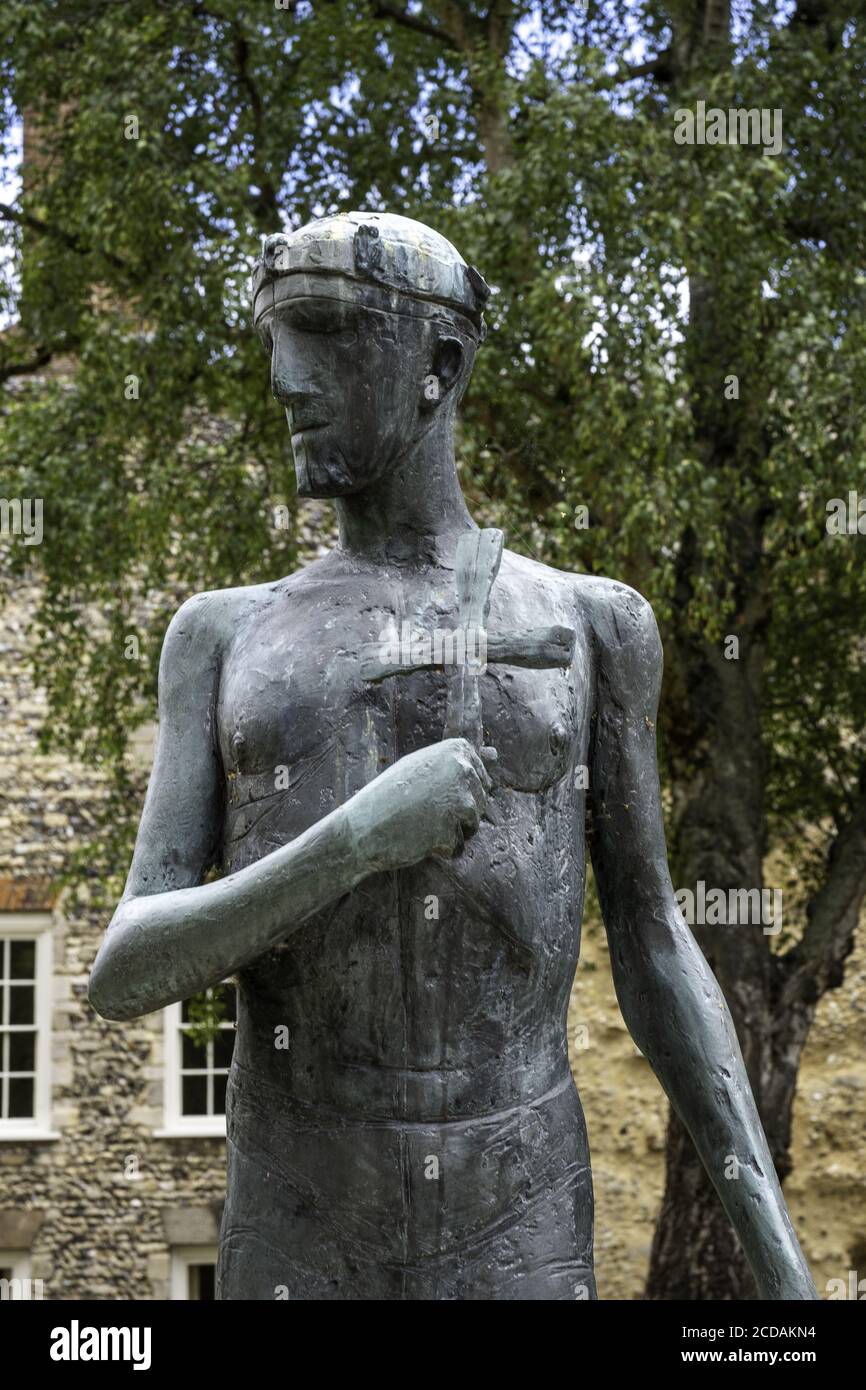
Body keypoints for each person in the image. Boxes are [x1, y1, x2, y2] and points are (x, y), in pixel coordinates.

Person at [90, 212, 816, 1301]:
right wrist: (352, 841)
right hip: (299, 1213)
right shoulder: (222, 638)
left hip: (514, 1208)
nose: (286, 379)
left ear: (438, 362)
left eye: (326, 333)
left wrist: (778, 1260)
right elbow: (125, 967)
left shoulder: (589, 626)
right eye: (276, 338)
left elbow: (654, 943)